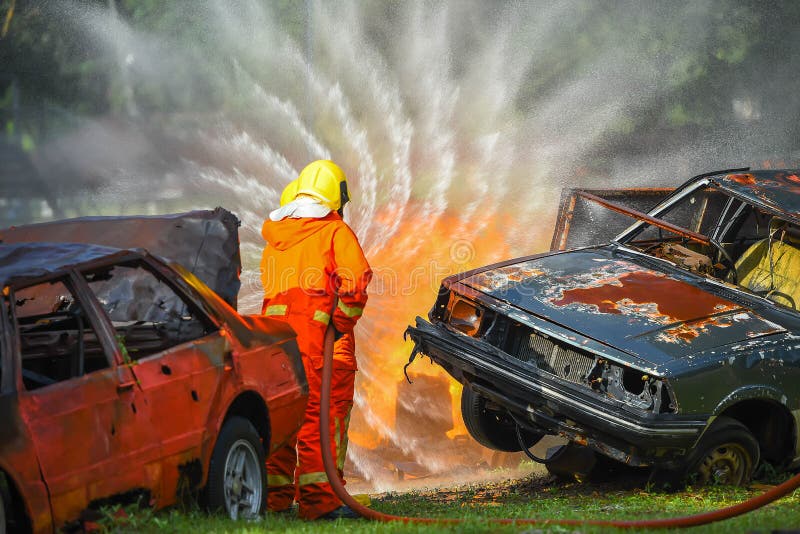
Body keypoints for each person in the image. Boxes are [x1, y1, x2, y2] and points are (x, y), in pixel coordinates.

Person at [260, 160, 371, 520]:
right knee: (320, 421)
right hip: (321, 346)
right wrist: (339, 323)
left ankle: (272, 500)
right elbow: (354, 284)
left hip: (274, 346)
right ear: (334, 197)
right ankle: (321, 503)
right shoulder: (333, 231)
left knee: (281, 419)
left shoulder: (275, 240)